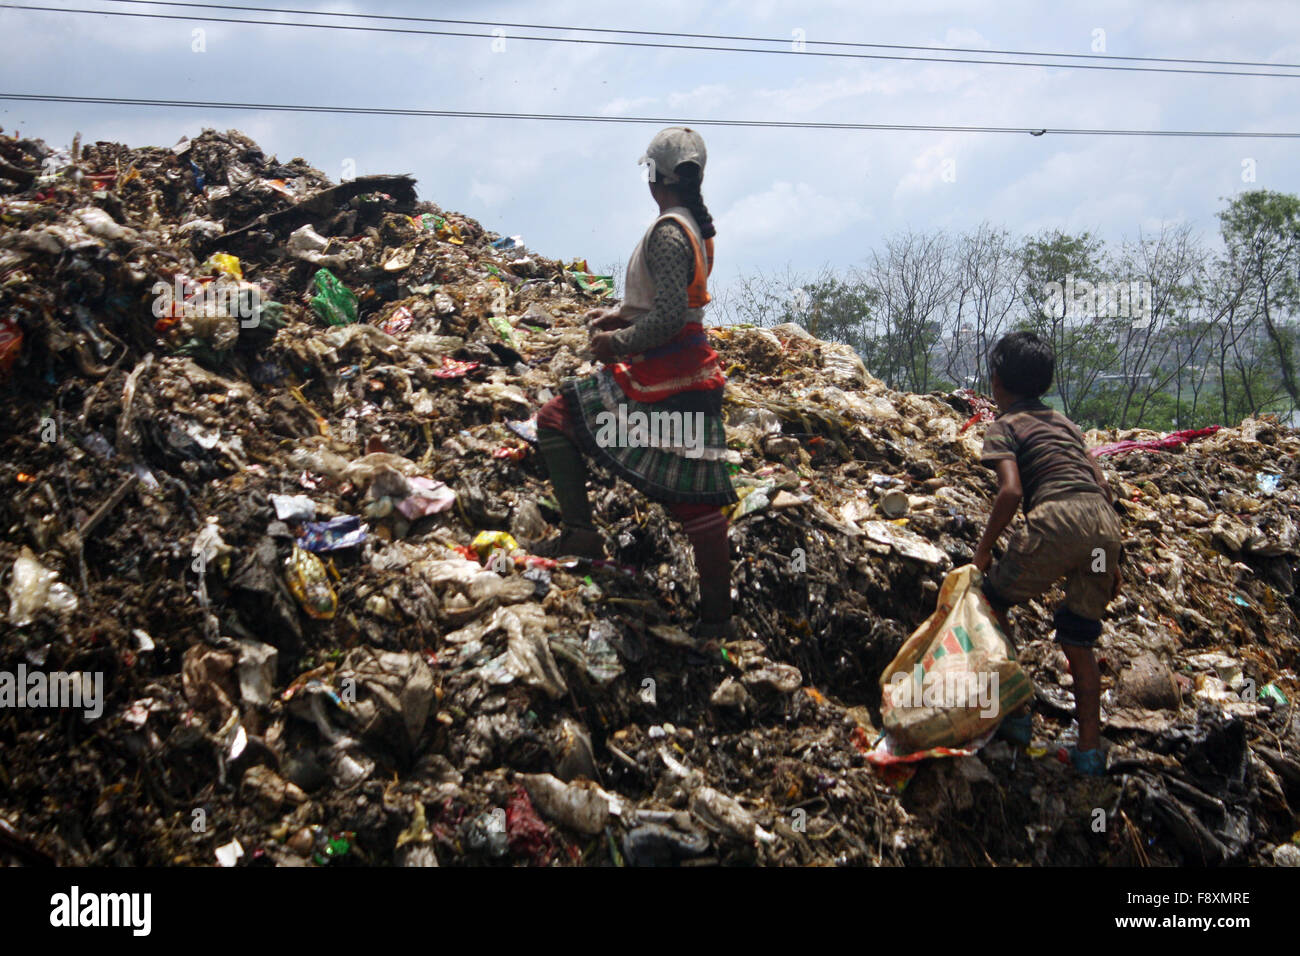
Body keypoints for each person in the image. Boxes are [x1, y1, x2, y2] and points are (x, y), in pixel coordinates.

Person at [531, 127, 738, 640]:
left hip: (663, 374)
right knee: (698, 500)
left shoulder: (668, 232)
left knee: (556, 418)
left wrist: (616, 344)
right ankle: (717, 621)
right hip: (692, 372)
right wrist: (621, 314)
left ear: (655, 176)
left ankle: (580, 535)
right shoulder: (695, 226)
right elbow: (673, 306)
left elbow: (668, 316)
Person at [971, 331, 1123, 776]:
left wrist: (982, 553)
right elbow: (1103, 488)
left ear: (996, 380)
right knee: (1079, 637)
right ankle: (1089, 752)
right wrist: (1118, 562)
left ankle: (1017, 716)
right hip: (1102, 529)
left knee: (993, 603)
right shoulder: (1068, 426)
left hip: (1056, 522)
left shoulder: (1004, 426)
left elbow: (1012, 491)